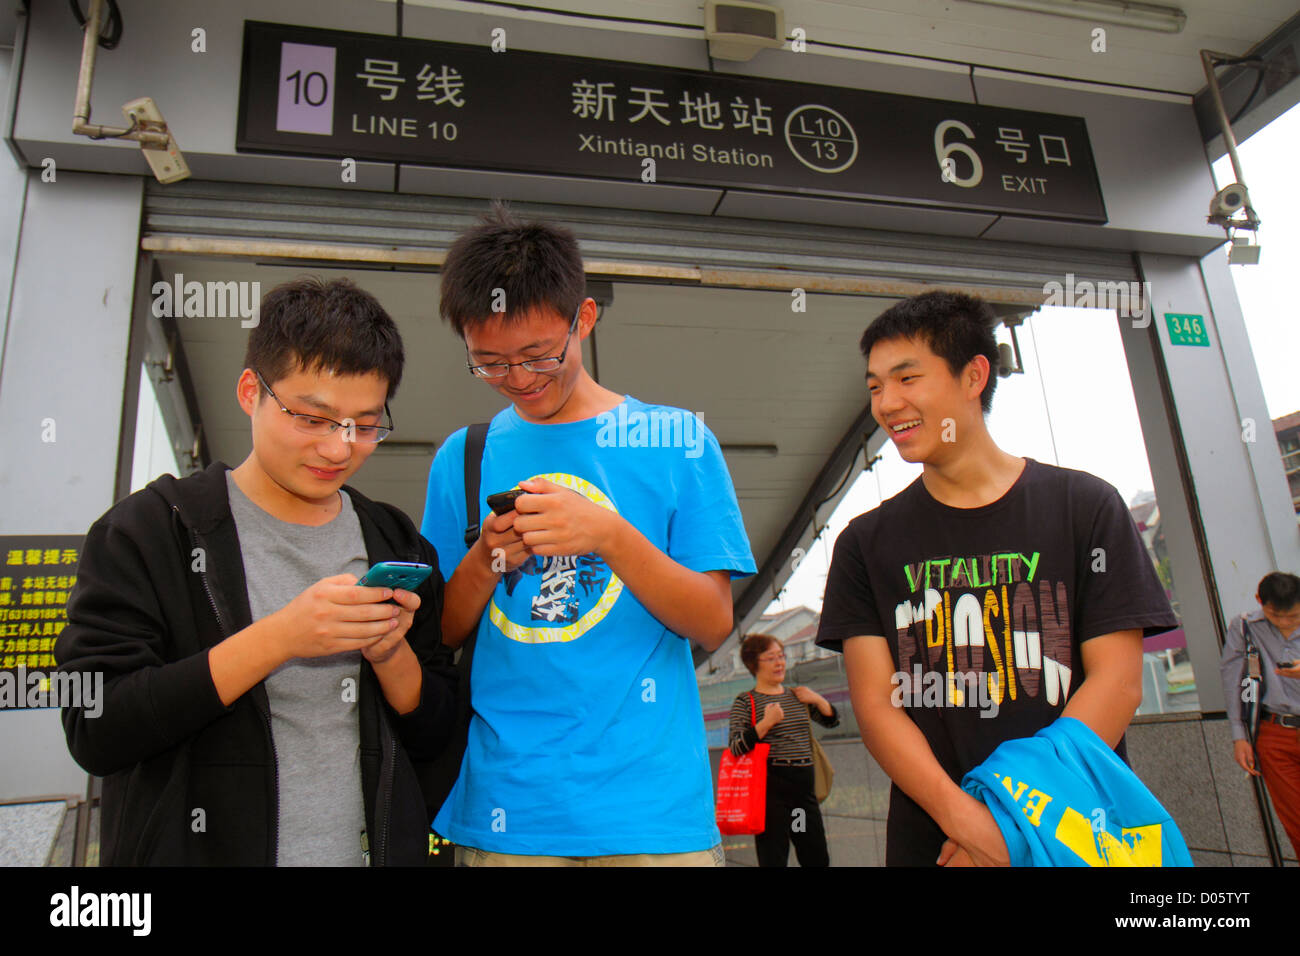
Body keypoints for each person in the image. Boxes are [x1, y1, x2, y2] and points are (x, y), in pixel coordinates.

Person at [55, 277, 457, 865]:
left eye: (365, 424)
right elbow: (96, 726)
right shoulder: (151, 532)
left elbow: (437, 734)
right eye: (313, 418)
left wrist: (390, 654)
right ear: (251, 391)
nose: (339, 448)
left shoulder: (396, 543)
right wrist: (280, 638)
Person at [421, 203, 756, 866]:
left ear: (586, 319)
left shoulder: (678, 442)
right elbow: (439, 632)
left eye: (539, 356)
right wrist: (491, 557)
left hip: (652, 818)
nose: (517, 379)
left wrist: (608, 536)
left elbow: (715, 623)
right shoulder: (463, 456)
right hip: (508, 813)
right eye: (488, 362)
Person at [814, 290, 1178, 867]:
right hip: (938, 840)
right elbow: (878, 707)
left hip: (1075, 830)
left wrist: (1008, 823)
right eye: (875, 386)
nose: (887, 403)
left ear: (974, 375)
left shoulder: (1084, 507)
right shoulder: (864, 543)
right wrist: (967, 822)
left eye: (907, 378)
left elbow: (1118, 683)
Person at [727, 633, 838, 866]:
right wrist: (766, 724)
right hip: (770, 792)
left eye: (781, 656)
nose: (779, 663)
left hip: (802, 791)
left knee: (814, 854)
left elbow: (831, 721)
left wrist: (817, 699)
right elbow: (736, 746)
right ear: (753, 663)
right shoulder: (746, 701)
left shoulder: (797, 696)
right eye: (771, 658)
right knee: (774, 857)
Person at [1219, 570, 1300, 857]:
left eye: (1293, 617)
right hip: (1275, 732)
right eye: (1277, 617)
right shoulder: (1245, 627)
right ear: (1259, 601)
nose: (1286, 624)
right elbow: (1233, 679)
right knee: (1296, 823)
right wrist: (1239, 736)